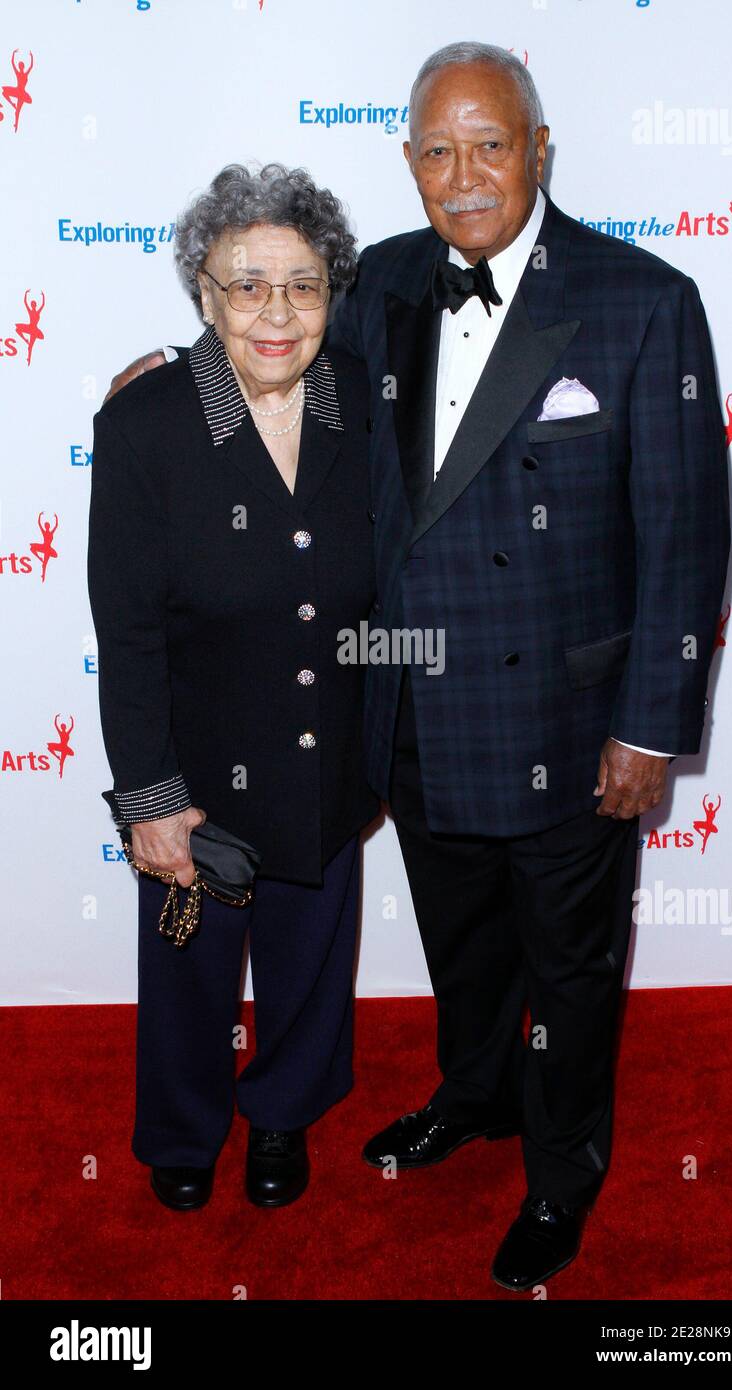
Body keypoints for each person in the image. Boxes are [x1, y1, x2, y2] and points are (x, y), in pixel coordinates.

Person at [106, 43, 731, 1294]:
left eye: (489, 144)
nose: (464, 174)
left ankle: (561, 1175)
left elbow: (686, 532)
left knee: (567, 964)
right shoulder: (377, 286)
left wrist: (651, 730)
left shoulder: (641, 300)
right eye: (436, 150)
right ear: (407, 163)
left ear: (538, 147)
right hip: (412, 715)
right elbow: (261, 360)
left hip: (569, 717)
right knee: (467, 951)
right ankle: (474, 1097)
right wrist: (160, 384)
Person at [87, 162, 379, 1213]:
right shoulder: (145, 427)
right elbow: (125, 635)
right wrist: (153, 801)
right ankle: (180, 1128)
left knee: (309, 966)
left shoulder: (361, 403)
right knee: (188, 973)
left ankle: (283, 1119)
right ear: (202, 294)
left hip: (326, 751)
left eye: (301, 284)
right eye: (245, 284)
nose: (275, 310)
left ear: (330, 295)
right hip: (200, 773)